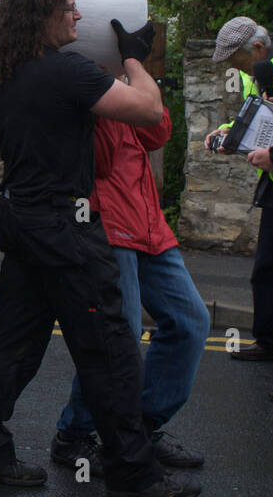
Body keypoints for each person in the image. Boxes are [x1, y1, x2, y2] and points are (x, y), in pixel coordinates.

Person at [0, 0, 198, 497]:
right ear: (44, 13)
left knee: (8, 345)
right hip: (67, 227)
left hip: (23, 220)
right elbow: (151, 111)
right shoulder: (65, 72)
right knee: (110, 349)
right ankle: (133, 473)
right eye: (70, 7)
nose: (79, 15)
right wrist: (134, 57)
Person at [51, 100, 208, 471]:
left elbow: (158, 132)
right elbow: (101, 158)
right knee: (120, 334)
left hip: (149, 223)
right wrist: (112, 96)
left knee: (190, 323)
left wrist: (135, 80)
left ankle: (142, 428)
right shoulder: (86, 82)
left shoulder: (127, 84)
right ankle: (73, 434)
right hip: (107, 222)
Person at [204, 15, 273, 362]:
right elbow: (250, 119)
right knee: (268, 269)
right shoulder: (261, 72)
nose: (241, 72)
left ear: (257, 47)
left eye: (238, 62)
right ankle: (270, 342)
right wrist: (226, 133)